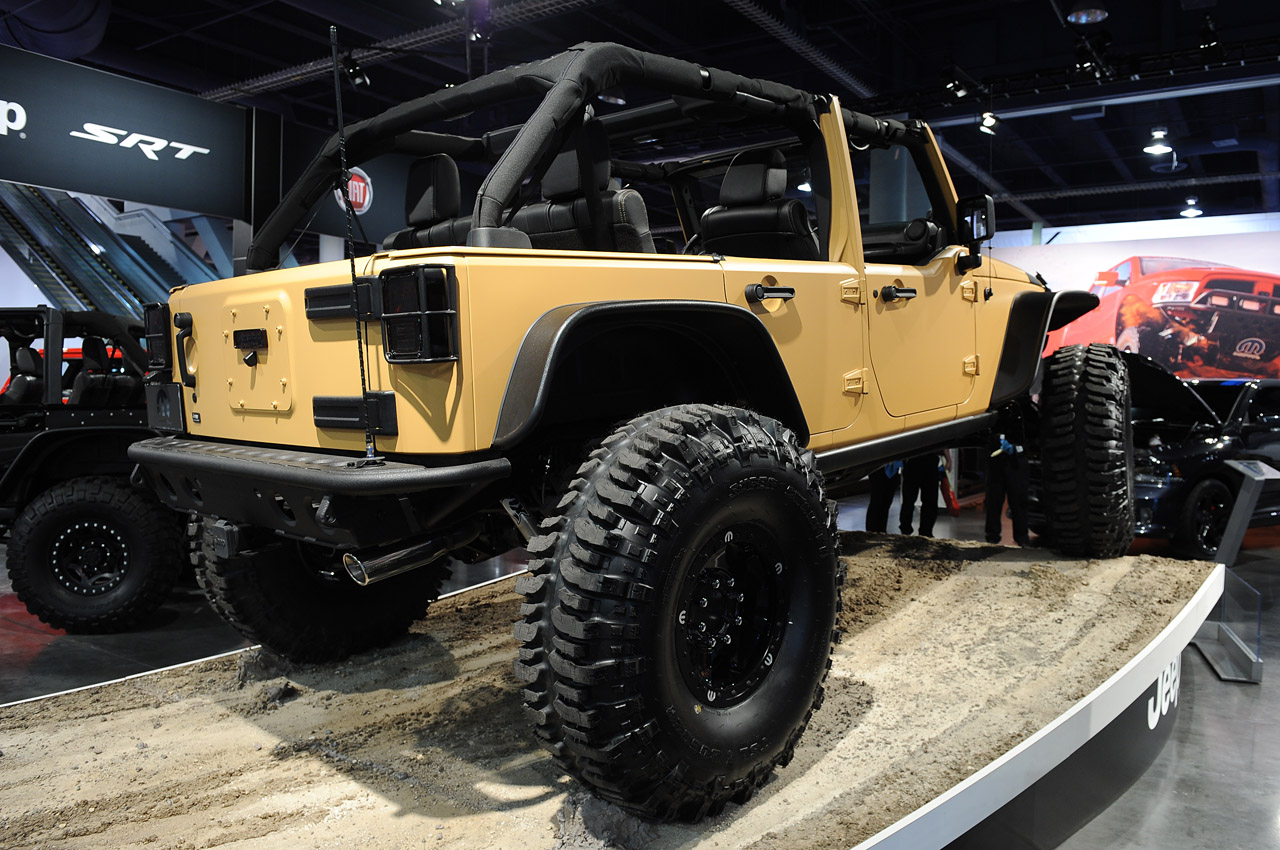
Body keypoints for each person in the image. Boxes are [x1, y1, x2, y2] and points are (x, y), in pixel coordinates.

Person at [985, 432, 1030, 546]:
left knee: (1018, 499)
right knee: (993, 499)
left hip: (1016, 461)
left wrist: (1016, 448)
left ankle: (1022, 538)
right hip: (996, 461)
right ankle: (992, 536)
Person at [900, 452, 947, 537]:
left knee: (926, 499)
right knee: (911, 500)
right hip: (916, 460)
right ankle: (910, 529)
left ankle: (921, 530)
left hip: (920, 460)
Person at [865, 460, 902, 533]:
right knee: (877, 500)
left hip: (893, 466)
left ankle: (882, 530)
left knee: (887, 501)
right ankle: (871, 531)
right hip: (877, 467)